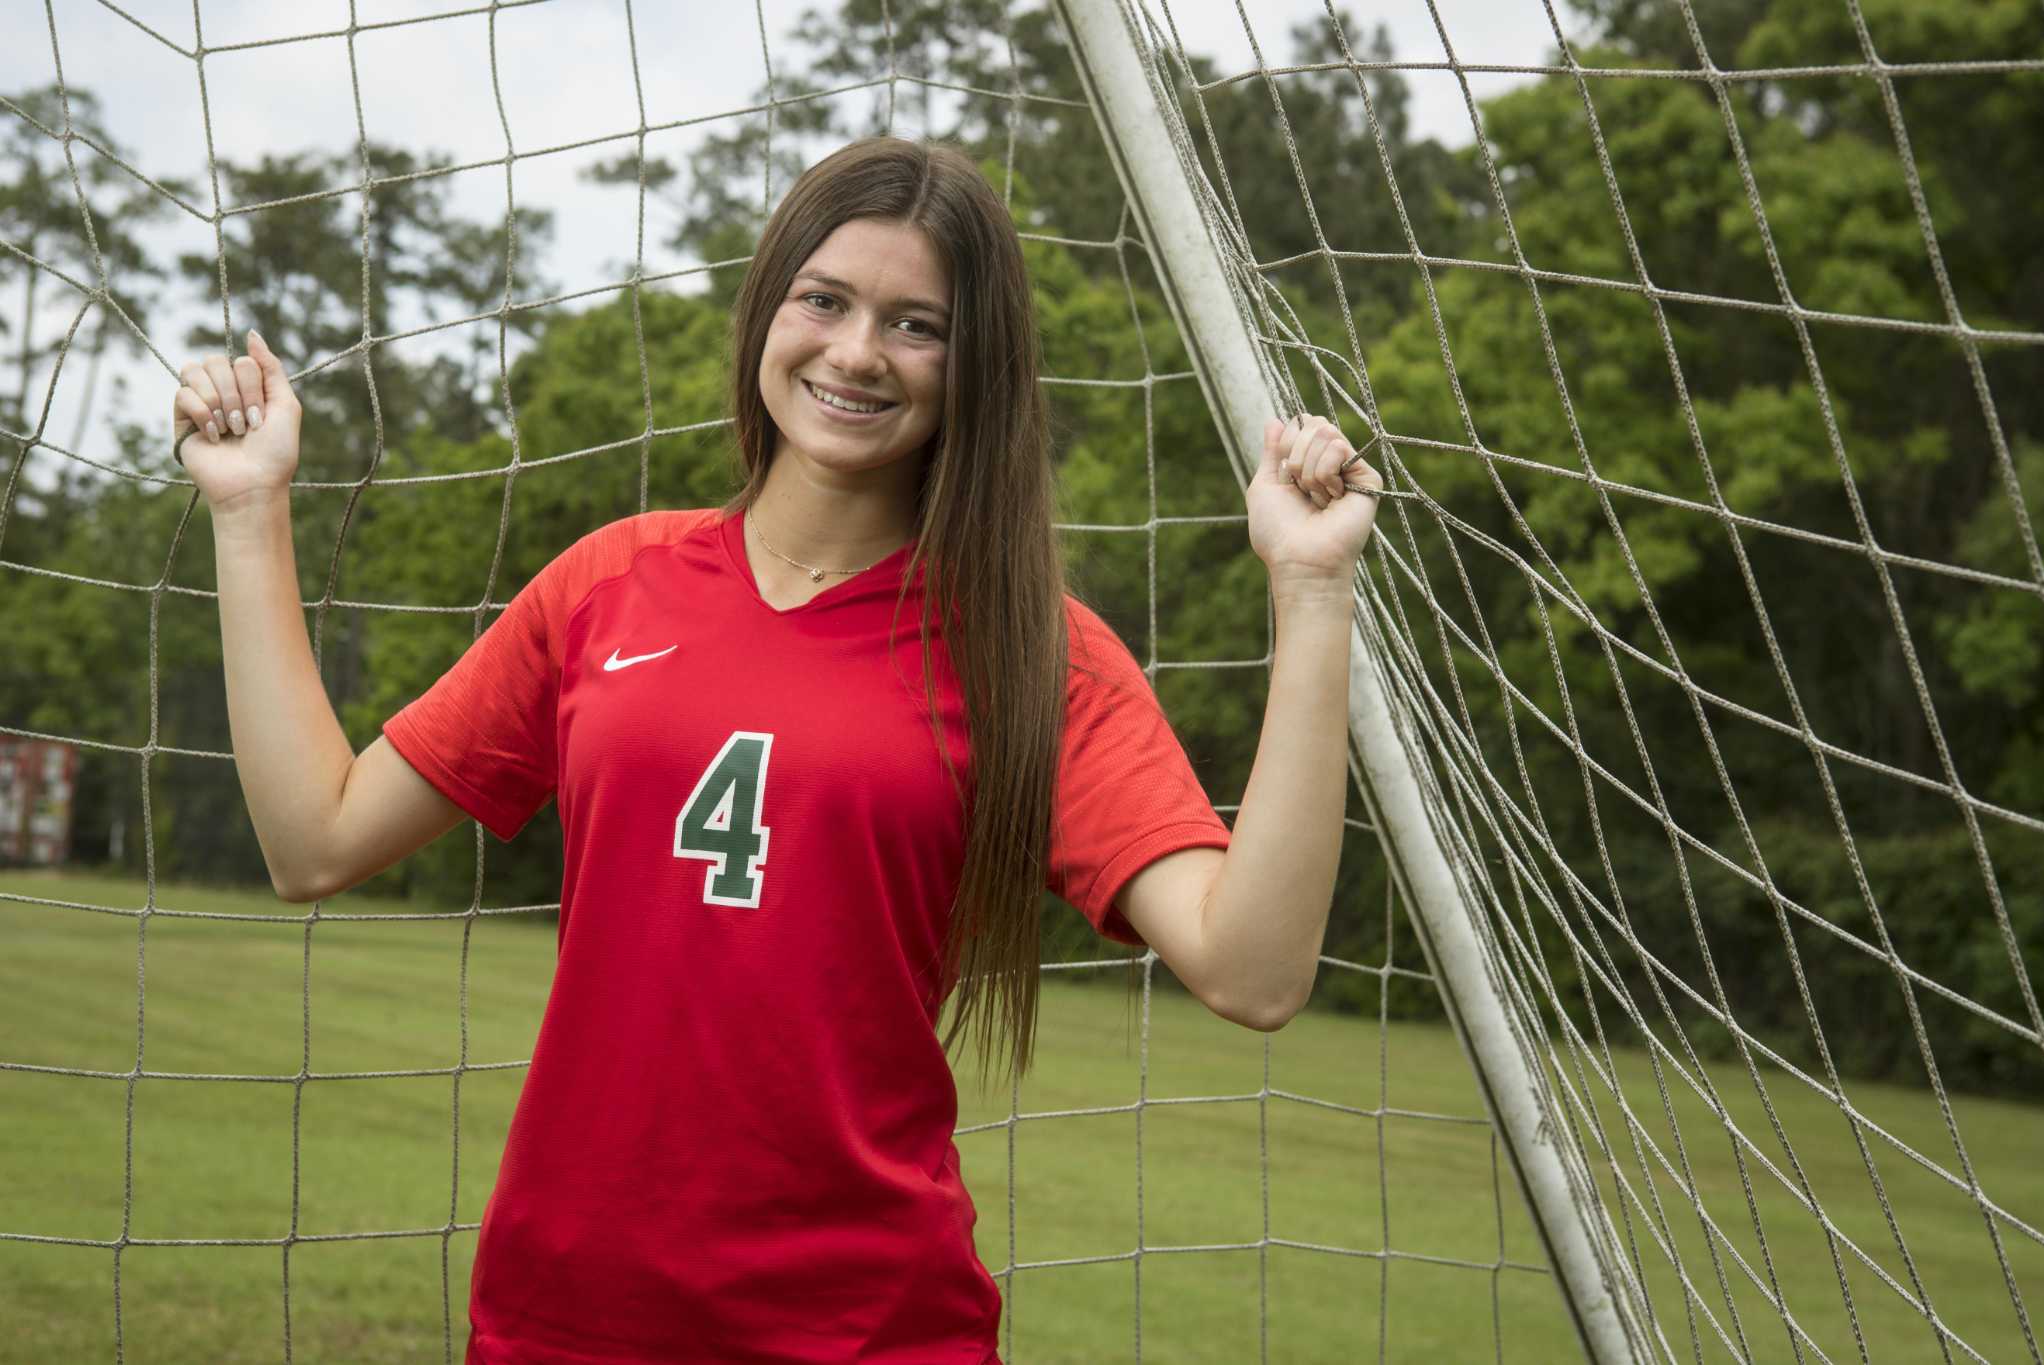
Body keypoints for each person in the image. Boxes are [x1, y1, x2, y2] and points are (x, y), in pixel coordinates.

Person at [171, 136, 1380, 1365]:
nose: (856, 353)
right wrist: (248, 509)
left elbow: (1252, 972)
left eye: (917, 325)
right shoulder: (608, 584)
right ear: (765, 310)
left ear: (977, 367)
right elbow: (315, 840)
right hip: (560, 1319)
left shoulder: (1030, 653)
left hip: (866, 1332)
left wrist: (1310, 588)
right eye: (825, 300)